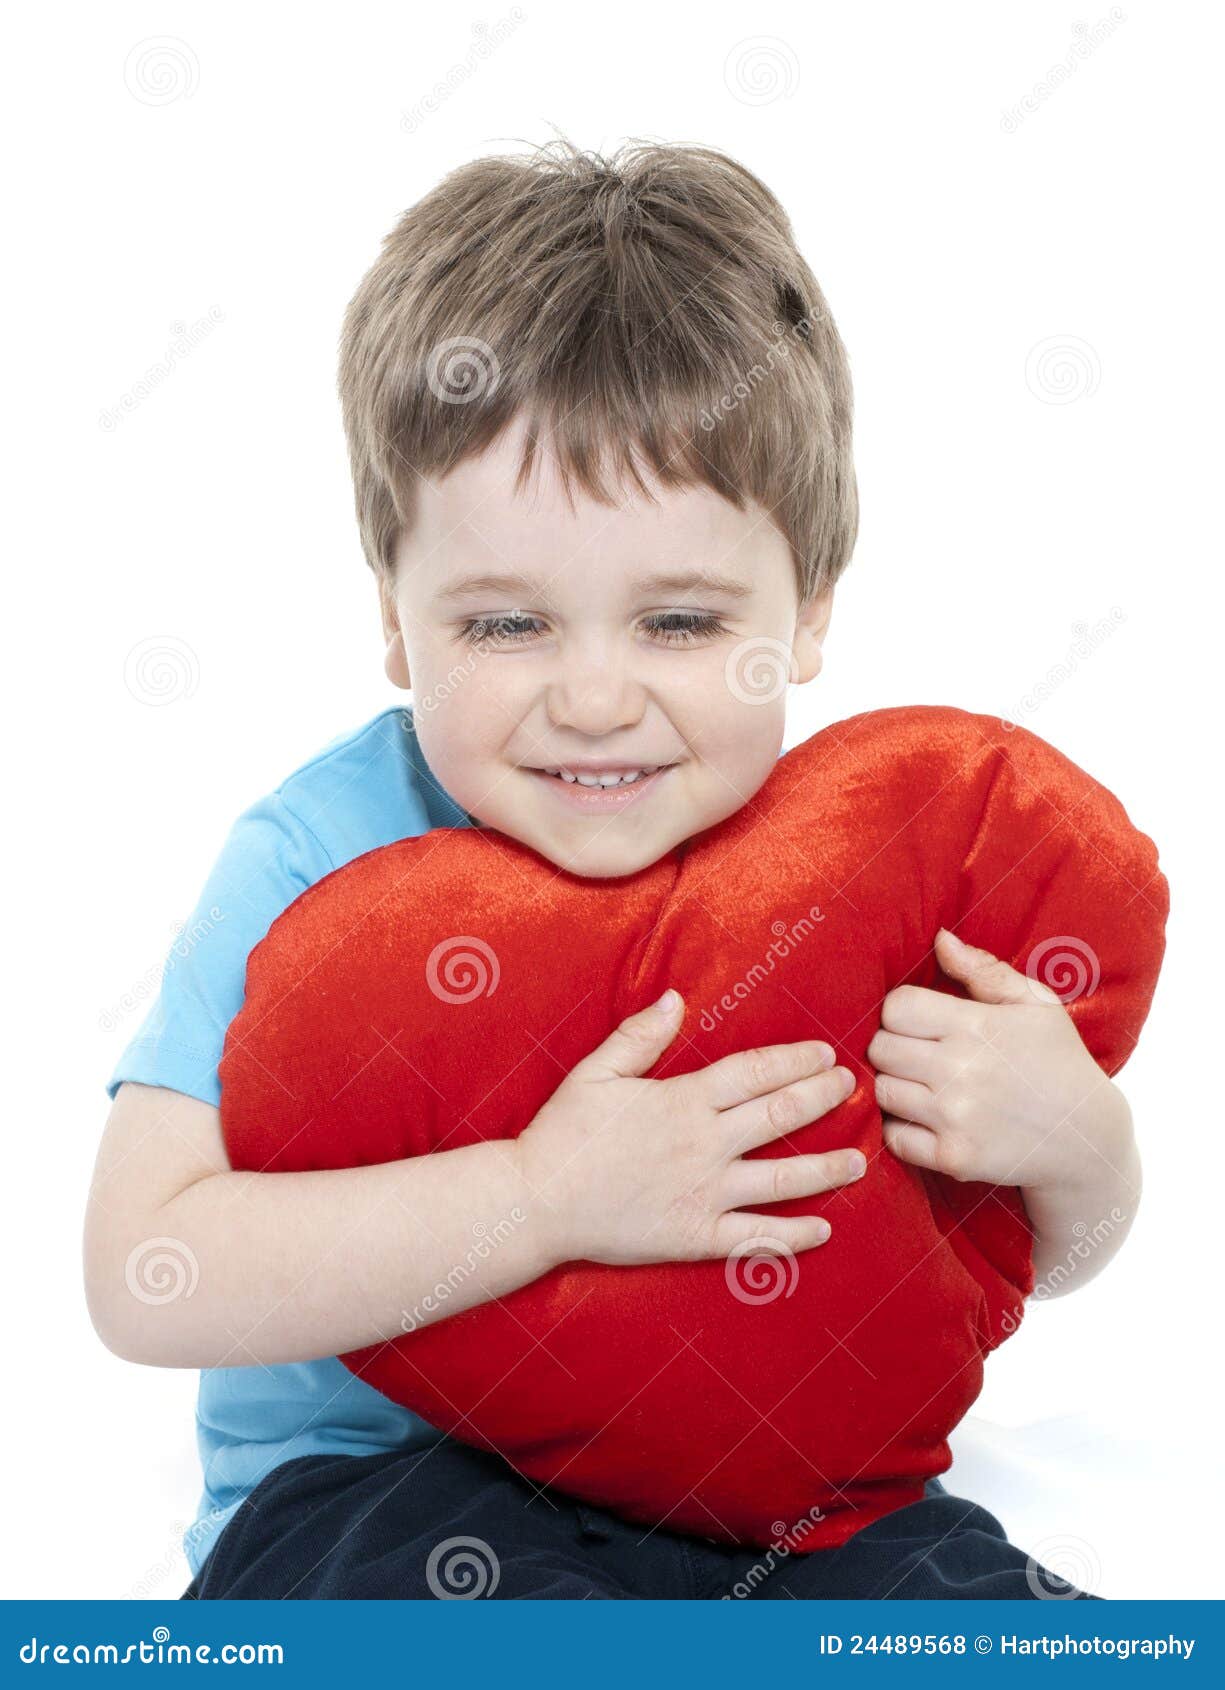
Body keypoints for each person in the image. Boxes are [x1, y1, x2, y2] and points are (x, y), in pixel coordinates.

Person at [84, 137, 1132, 1600]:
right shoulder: (312, 858)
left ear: (809, 607)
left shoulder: (863, 869)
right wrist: (539, 1197)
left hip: (773, 1472)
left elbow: (1028, 1255)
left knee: (970, 1614)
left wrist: (1076, 1145)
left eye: (681, 624)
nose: (590, 699)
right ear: (393, 619)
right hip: (380, 1486)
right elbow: (148, 1269)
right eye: (505, 626)